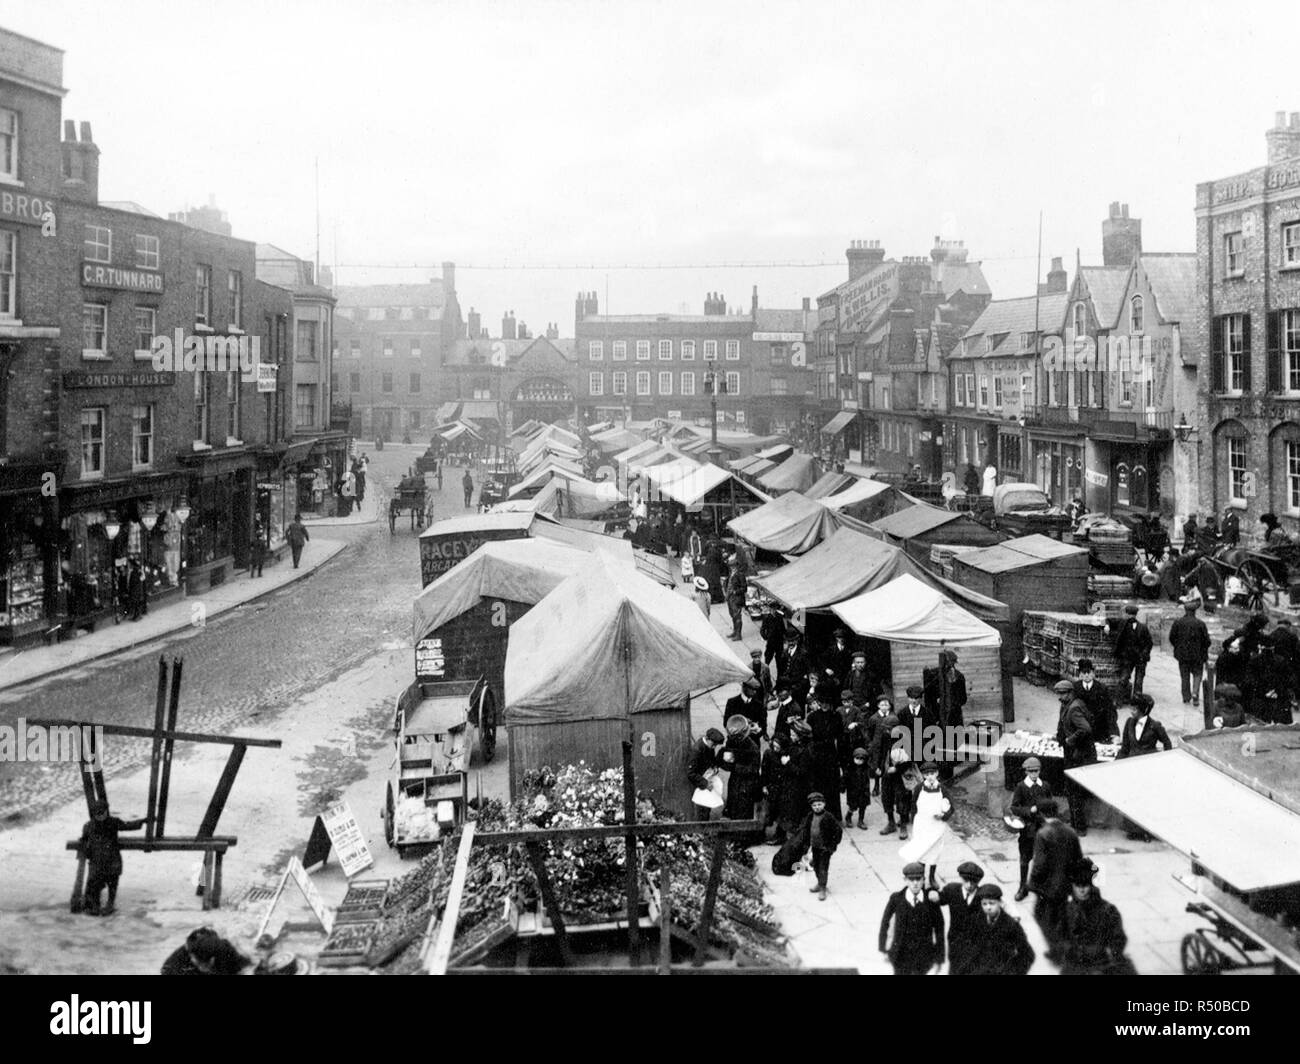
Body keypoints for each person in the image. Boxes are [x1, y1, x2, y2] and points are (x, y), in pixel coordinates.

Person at [1027, 797, 1083, 961]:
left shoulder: (1043, 834)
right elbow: (1078, 859)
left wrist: (1031, 884)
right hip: (1065, 885)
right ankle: (1068, 948)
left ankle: (1056, 950)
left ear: (1042, 814)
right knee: (1063, 916)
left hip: (1047, 887)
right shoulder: (1070, 832)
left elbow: (1039, 864)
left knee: (1041, 916)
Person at [1060, 859, 1136, 975]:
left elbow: (1118, 939)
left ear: (1091, 884)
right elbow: (1061, 937)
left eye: (1085, 885)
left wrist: (1109, 954)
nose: (1081, 890)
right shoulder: (1067, 910)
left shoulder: (1108, 911)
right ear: (1072, 885)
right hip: (1075, 965)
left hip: (1101, 965)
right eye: (1077, 885)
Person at [1116, 694, 1173, 839]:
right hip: (1131, 766)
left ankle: (1147, 831)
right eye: (1131, 708)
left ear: (1143, 710)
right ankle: (1133, 830)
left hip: (1148, 768)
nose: (1131, 711)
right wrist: (1117, 763)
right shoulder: (1129, 722)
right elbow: (1125, 746)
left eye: (1134, 709)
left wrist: (1164, 762)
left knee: (1146, 800)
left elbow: (1167, 743)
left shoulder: (1155, 726)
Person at [78, 800, 148, 916]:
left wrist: (142, 821)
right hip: (97, 860)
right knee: (94, 883)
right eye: (97, 813)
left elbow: (127, 826)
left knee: (112, 882)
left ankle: (110, 904)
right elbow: (84, 839)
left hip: (112, 858)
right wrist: (84, 847)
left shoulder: (113, 822)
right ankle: (95, 906)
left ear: (106, 811)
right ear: (94, 814)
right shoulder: (88, 826)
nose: (100, 816)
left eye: (102, 812)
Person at [879, 862, 946, 975]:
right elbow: (885, 923)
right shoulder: (896, 899)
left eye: (918, 879)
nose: (915, 883)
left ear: (923, 879)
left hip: (923, 956)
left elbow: (939, 928)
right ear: (905, 880)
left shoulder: (930, 901)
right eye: (911, 879)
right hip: (901, 954)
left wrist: (939, 958)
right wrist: (883, 948)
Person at [899, 762, 953, 888]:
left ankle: (932, 877)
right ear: (923, 775)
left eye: (932, 774)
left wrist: (944, 816)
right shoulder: (919, 788)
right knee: (922, 851)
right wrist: (914, 822)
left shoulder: (942, 789)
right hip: (922, 825)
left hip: (937, 826)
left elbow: (951, 807)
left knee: (935, 851)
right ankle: (921, 876)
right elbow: (913, 806)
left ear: (937, 774)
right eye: (927, 774)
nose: (930, 777)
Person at [964, 884, 1036, 976]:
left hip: (1003, 968)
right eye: (984, 904)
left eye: (992, 903)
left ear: (1000, 903)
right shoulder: (978, 919)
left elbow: (1028, 954)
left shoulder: (1011, 925)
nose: (988, 907)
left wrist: (1015, 972)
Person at [1055, 678, 1095, 836]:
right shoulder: (1069, 704)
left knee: (1074, 792)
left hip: (1077, 755)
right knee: (1072, 791)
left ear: (1070, 693)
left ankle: (1079, 827)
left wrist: (1069, 740)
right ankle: (1075, 823)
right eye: (1058, 694)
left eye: (1062, 694)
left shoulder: (1074, 708)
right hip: (1074, 753)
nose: (1059, 697)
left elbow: (1086, 728)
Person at [1009, 756, 1052, 901]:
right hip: (1028, 830)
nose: (1034, 774)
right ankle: (1023, 887)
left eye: (1036, 771)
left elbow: (1051, 804)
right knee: (1024, 860)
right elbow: (1014, 807)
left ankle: (1040, 888)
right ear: (1026, 772)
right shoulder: (1021, 787)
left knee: (1042, 860)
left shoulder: (1044, 785)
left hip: (1042, 829)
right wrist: (1029, 811)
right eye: (1031, 771)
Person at [923, 650, 967, 780]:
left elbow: (963, 699)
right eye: (949, 663)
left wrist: (952, 702)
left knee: (951, 747)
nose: (951, 666)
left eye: (952, 663)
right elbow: (928, 696)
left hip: (953, 718)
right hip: (937, 718)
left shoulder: (958, 677)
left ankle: (948, 777)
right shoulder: (934, 676)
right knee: (936, 747)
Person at [790, 792, 843, 900]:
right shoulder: (810, 816)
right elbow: (806, 830)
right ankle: (819, 883)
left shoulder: (828, 817)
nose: (817, 807)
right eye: (814, 805)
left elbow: (838, 831)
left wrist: (832, 846)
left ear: (824, 804)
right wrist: (805, 844)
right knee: (816, 866)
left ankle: (823, 887)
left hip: (825, 848)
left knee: (823, 867)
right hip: (815, 846)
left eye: (819, 804)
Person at [938, 861, 986, 976]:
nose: (969, 885)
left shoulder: (984, 895)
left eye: (973, 882)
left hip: (976, 943)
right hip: (956, 941)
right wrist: (930, 892)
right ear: (961, 878)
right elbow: (939, 900)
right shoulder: (951, 890)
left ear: (978, 882)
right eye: (966, 881)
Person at [805, 697, 845, 822]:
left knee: (832, 787)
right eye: (822, 703)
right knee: (818, 785)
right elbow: (808, 736)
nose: (825, 705)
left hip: (831, 754)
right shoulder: (812, 717)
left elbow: (840, 736)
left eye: (827, 703)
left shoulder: (836, 716)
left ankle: (834, 817)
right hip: (817, 755)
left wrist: (840, 759)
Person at [720, 715, 761, 832]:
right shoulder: (731, 742)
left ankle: (744, 837)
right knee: (733, 807)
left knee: (744, 811)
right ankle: (734, 834)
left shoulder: (753, 748)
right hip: (735, 781)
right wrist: (725, 761)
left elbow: (753, 770)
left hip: (747, 784)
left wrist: (734, 765)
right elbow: (724, 761)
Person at [1168, 598, 1210, 711]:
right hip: (1198, 655)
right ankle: (1195, 693)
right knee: (1197, 674)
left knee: (1184, 675)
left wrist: (1178, 647)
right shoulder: (1200, 624)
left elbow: (1172, 637)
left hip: (1182, 655)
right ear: (1195, 611)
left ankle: (1186, 697)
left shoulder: (1178, 622)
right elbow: (1207, 641)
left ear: (1185, 610)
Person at [161, 927, 252, 975]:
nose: (202, 967)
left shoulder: (224, 950)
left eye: (205, 965)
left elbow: (246, 967)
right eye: (198, 963)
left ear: (212, 959)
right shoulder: (173, 967)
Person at [1113, 605, 1153, 700]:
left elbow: (1149, 643)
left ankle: (1119, 700)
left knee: (1124, 679)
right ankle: (1135, 700)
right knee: (1137, 680)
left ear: (1127, 614)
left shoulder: (1123, 624)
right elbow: (1149, 643)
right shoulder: (1142, 627)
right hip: (1133, 657)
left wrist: (1143, 654)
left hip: (1133, 657)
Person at [1072, 658, 1117, 743]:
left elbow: (1110, 711)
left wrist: (1114, 733)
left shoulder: (1102, 689)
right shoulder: (1075, 688)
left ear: (1093, 673)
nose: (1086, 675)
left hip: (1099, 731)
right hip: (1080, 729)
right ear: (1080, 674)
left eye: (1088, 672)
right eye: (1083, 673)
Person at [687, 728, 726, 821]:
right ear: (707, 739)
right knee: (701, 811)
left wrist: (714, 767)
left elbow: (711, 760)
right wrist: (705, 784)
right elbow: (690, 773)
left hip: (706, 779)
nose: (714, 747)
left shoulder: (709, 746)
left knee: (707, 807)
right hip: (699, 784)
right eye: (714, 744)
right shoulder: (697, 750)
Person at [723, 677, 767, 745]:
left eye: (756, 690)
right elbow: (726, 723)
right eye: (752, 689)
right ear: (744, 687)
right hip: (735, 743)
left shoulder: (759, 705)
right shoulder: (732, 702)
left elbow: (763, 726)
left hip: (752, 743)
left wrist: (757, 729)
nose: (754, 692)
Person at [844, 746, 871, 829]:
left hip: (863, 791)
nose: (859, 761)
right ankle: (848, 817)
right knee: (852, 806)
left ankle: (861, 820)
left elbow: (869, 776)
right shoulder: (850, 768)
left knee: (863, 806)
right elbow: (845, 778)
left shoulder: (866, 768)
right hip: (853, 791)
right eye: (857, 758)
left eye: (861, 759)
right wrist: (843, 786)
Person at [724, 559, 747, 641]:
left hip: (737, 598)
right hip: (730, 598)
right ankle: (735, 631)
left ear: (736, 566)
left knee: (737, 616)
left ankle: (738, 634)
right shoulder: (731, 574)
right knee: (732, 615)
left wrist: (735, 592)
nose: (732, 568)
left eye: (733, 566)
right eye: (731, 566)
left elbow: (744, 588)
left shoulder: (740, 575)